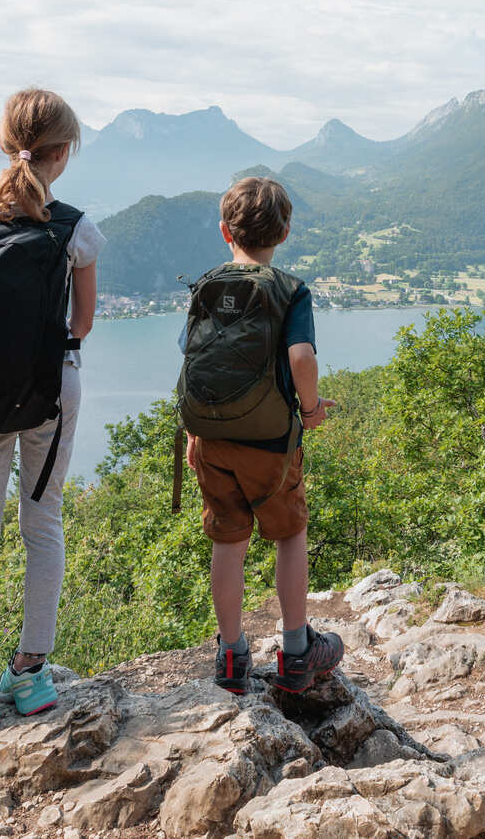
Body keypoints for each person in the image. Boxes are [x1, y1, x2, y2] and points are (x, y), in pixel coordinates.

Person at [0, 88, 103, 739]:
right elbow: (82, 323)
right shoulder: (75, 228)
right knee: (43, 523)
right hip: (48, 395)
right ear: (63, 154)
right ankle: (31, 672)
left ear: (2, 144)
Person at [180, 176, 344, 694]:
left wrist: (193, 433)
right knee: (289, 533)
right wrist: (311, 410)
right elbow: (301, 358)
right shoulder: (290, 290)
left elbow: (193, 358)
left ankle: (231, 657)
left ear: (225, 230)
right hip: (270, 441)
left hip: (210, 436)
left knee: (228, 541)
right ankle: (296, 652)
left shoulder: (206, 284)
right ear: (286, 231)